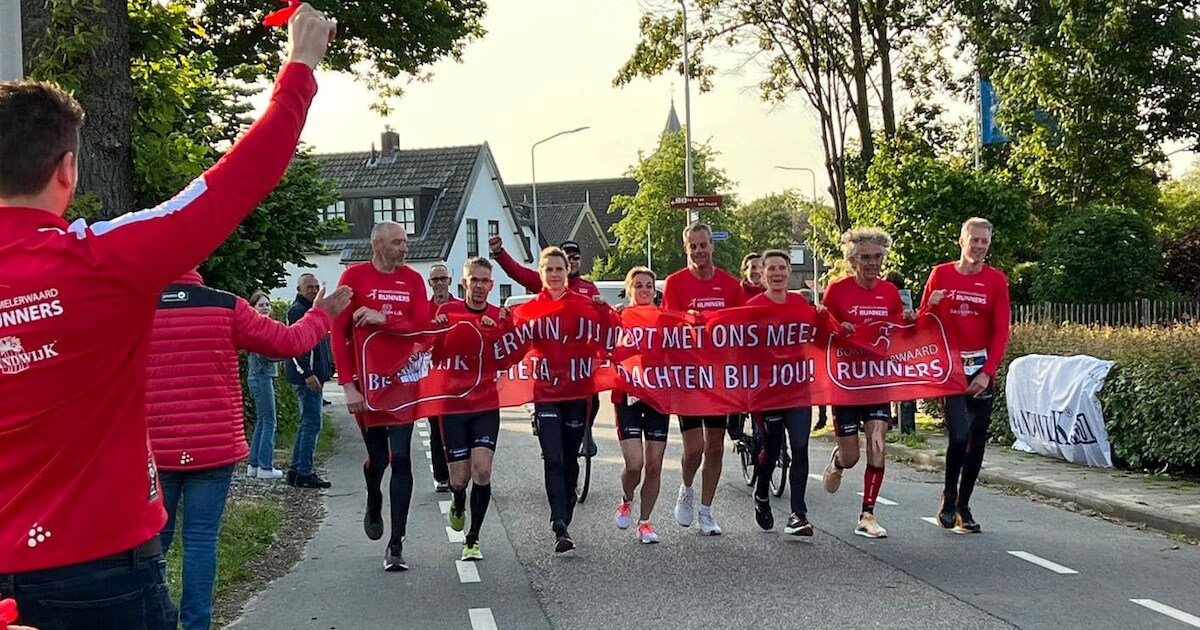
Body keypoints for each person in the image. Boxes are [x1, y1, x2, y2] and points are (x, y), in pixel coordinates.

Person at [0, 7, 334, 627]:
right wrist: (300, 67)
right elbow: (231, 184)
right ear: (68, 170)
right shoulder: (101, 257)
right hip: (100, 566)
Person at [145, 270, 349, 630]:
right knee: (201, 541)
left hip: (154, 449)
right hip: (213, 446)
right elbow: (288, 342)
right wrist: (321, 314)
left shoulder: (134, 308)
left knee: (152, 549)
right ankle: (197, 625)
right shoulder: (226, 306)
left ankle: (154, 622)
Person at [334, 221, 431, 571]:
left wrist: (384, 317)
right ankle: (373, 497)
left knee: (402, 457)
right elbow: (338, 333)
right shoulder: (354, 278)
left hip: (403, 384)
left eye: (406, 242)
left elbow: (422, 327)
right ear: (377, 244)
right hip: (369, 386)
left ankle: (396, 543)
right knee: (381, 460)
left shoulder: (413, 281)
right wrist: (347, 385)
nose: (405, 248)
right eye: (397, 243)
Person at [919, 217, 1011, 534]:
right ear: (962, 241)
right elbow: (922, 325)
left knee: (977, 442)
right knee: (959, 435)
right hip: (950, 369)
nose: (979, 246)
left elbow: (1000, 333)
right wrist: (928, 306)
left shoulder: (996, 281)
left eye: (985, 241)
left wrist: (987, 373)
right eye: (974, 240)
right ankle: (949, 498)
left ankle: (964, 506)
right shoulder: (940, 274)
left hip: (980, 368)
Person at [820, 227, 911, 539]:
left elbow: (899, 331)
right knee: (852, 456)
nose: (873, 263)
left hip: (877, 382)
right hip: (846, 383)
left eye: (877, 257)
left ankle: (867, 514)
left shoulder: (889, 293)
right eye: (865, 258)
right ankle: (837, 461)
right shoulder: (837, 291)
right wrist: (836, 328)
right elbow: (821, 332)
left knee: (877, 446)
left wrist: (915, 321)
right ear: (852, 261)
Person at [663, 222, 747, 535]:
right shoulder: (675, 283)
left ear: (712, 246)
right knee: (694, 449)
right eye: (693, 247)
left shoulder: (729, 284)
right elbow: (667, 326)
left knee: (716, 447)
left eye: (703, 245)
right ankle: (686, 488)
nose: (699, 252)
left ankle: (706, 511)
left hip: (717, 378)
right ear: (687, 249)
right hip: (688, 377)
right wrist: (688, 322)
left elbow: (742, 328)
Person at [526, 246, 608, 554]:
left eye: (559, 269)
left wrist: (604, 311)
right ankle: (559, 523)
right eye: (549, 270)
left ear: (567, 273)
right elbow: (512, 341)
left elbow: (610, 333)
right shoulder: (532, 308)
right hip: (546, 393)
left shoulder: (584, 304)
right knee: (553, 457)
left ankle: (567, 500)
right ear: (542, 274)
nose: (555, 275)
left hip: (576, 393)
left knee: (570, 458)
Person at [744, 250, 830, 535]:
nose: (777, 273)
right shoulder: (754, 306)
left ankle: (798, 513)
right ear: (763, 274)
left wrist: (823, 319)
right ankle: (761, 493)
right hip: (767, 392)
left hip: (797, 389)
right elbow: (738, 344)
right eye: (772, 269)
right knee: (771, 451)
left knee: (801, 447)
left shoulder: (800, 302)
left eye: (782, 268)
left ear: (789, 272)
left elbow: (818, 336)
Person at [432, 257, 507, 561]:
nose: (479, 286)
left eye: (485, 281)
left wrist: (497, 332)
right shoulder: (447, 312)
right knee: (459, 479)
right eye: (474, 280)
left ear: (491, 285)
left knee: (483, 471)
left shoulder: (497, 316)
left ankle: (472, 538)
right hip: (453, 406)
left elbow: (507, 359)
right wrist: (437, 331)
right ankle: (458, 500)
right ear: (463, 283)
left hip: (486, 404)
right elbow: (434, 357)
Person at [612, 266, 669, 544]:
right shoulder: (619, 317)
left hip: (658, 397)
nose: (644, 290)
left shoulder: (664, 320)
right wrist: (605, 314)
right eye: (638, 285)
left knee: (655, 465)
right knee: (635, 464)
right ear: (630, 289)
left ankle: (645, 522)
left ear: (655, 291)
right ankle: (626, 499)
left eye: (649, 285)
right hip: (628, 396)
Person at [284, 273, 334, 489]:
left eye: (316, 287)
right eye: (309, 287)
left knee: (308, 423)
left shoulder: (313, 310)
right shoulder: (298, 311)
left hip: (314, 375)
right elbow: (295, 345)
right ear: (299, 289)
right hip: (308, 378)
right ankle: (304, 471)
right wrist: (307, 373)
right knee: (312, 423)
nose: (314, 290)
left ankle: (297, 469)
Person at [427, 263, 460, 493]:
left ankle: (459, 471)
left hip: (458, 377)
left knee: (458, 426)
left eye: (443, 279)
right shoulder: (421, 308)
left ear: (450, 280)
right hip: (431, 378)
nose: (439, 283)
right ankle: (441, 476)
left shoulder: (460, 307)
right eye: (435, 280)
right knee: (436, 427)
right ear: (430, 283)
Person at [247, 291, 285, 480]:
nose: (265, 308)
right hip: (261, 377)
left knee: (262, 421)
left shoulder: (260, 327)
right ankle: (265, 466)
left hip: (261, 377)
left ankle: (254, 465)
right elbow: (268, 354)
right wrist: (286, 352)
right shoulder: (257, 328)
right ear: (253, 308)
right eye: (261, 305)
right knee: (270, 421)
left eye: (267, 305)